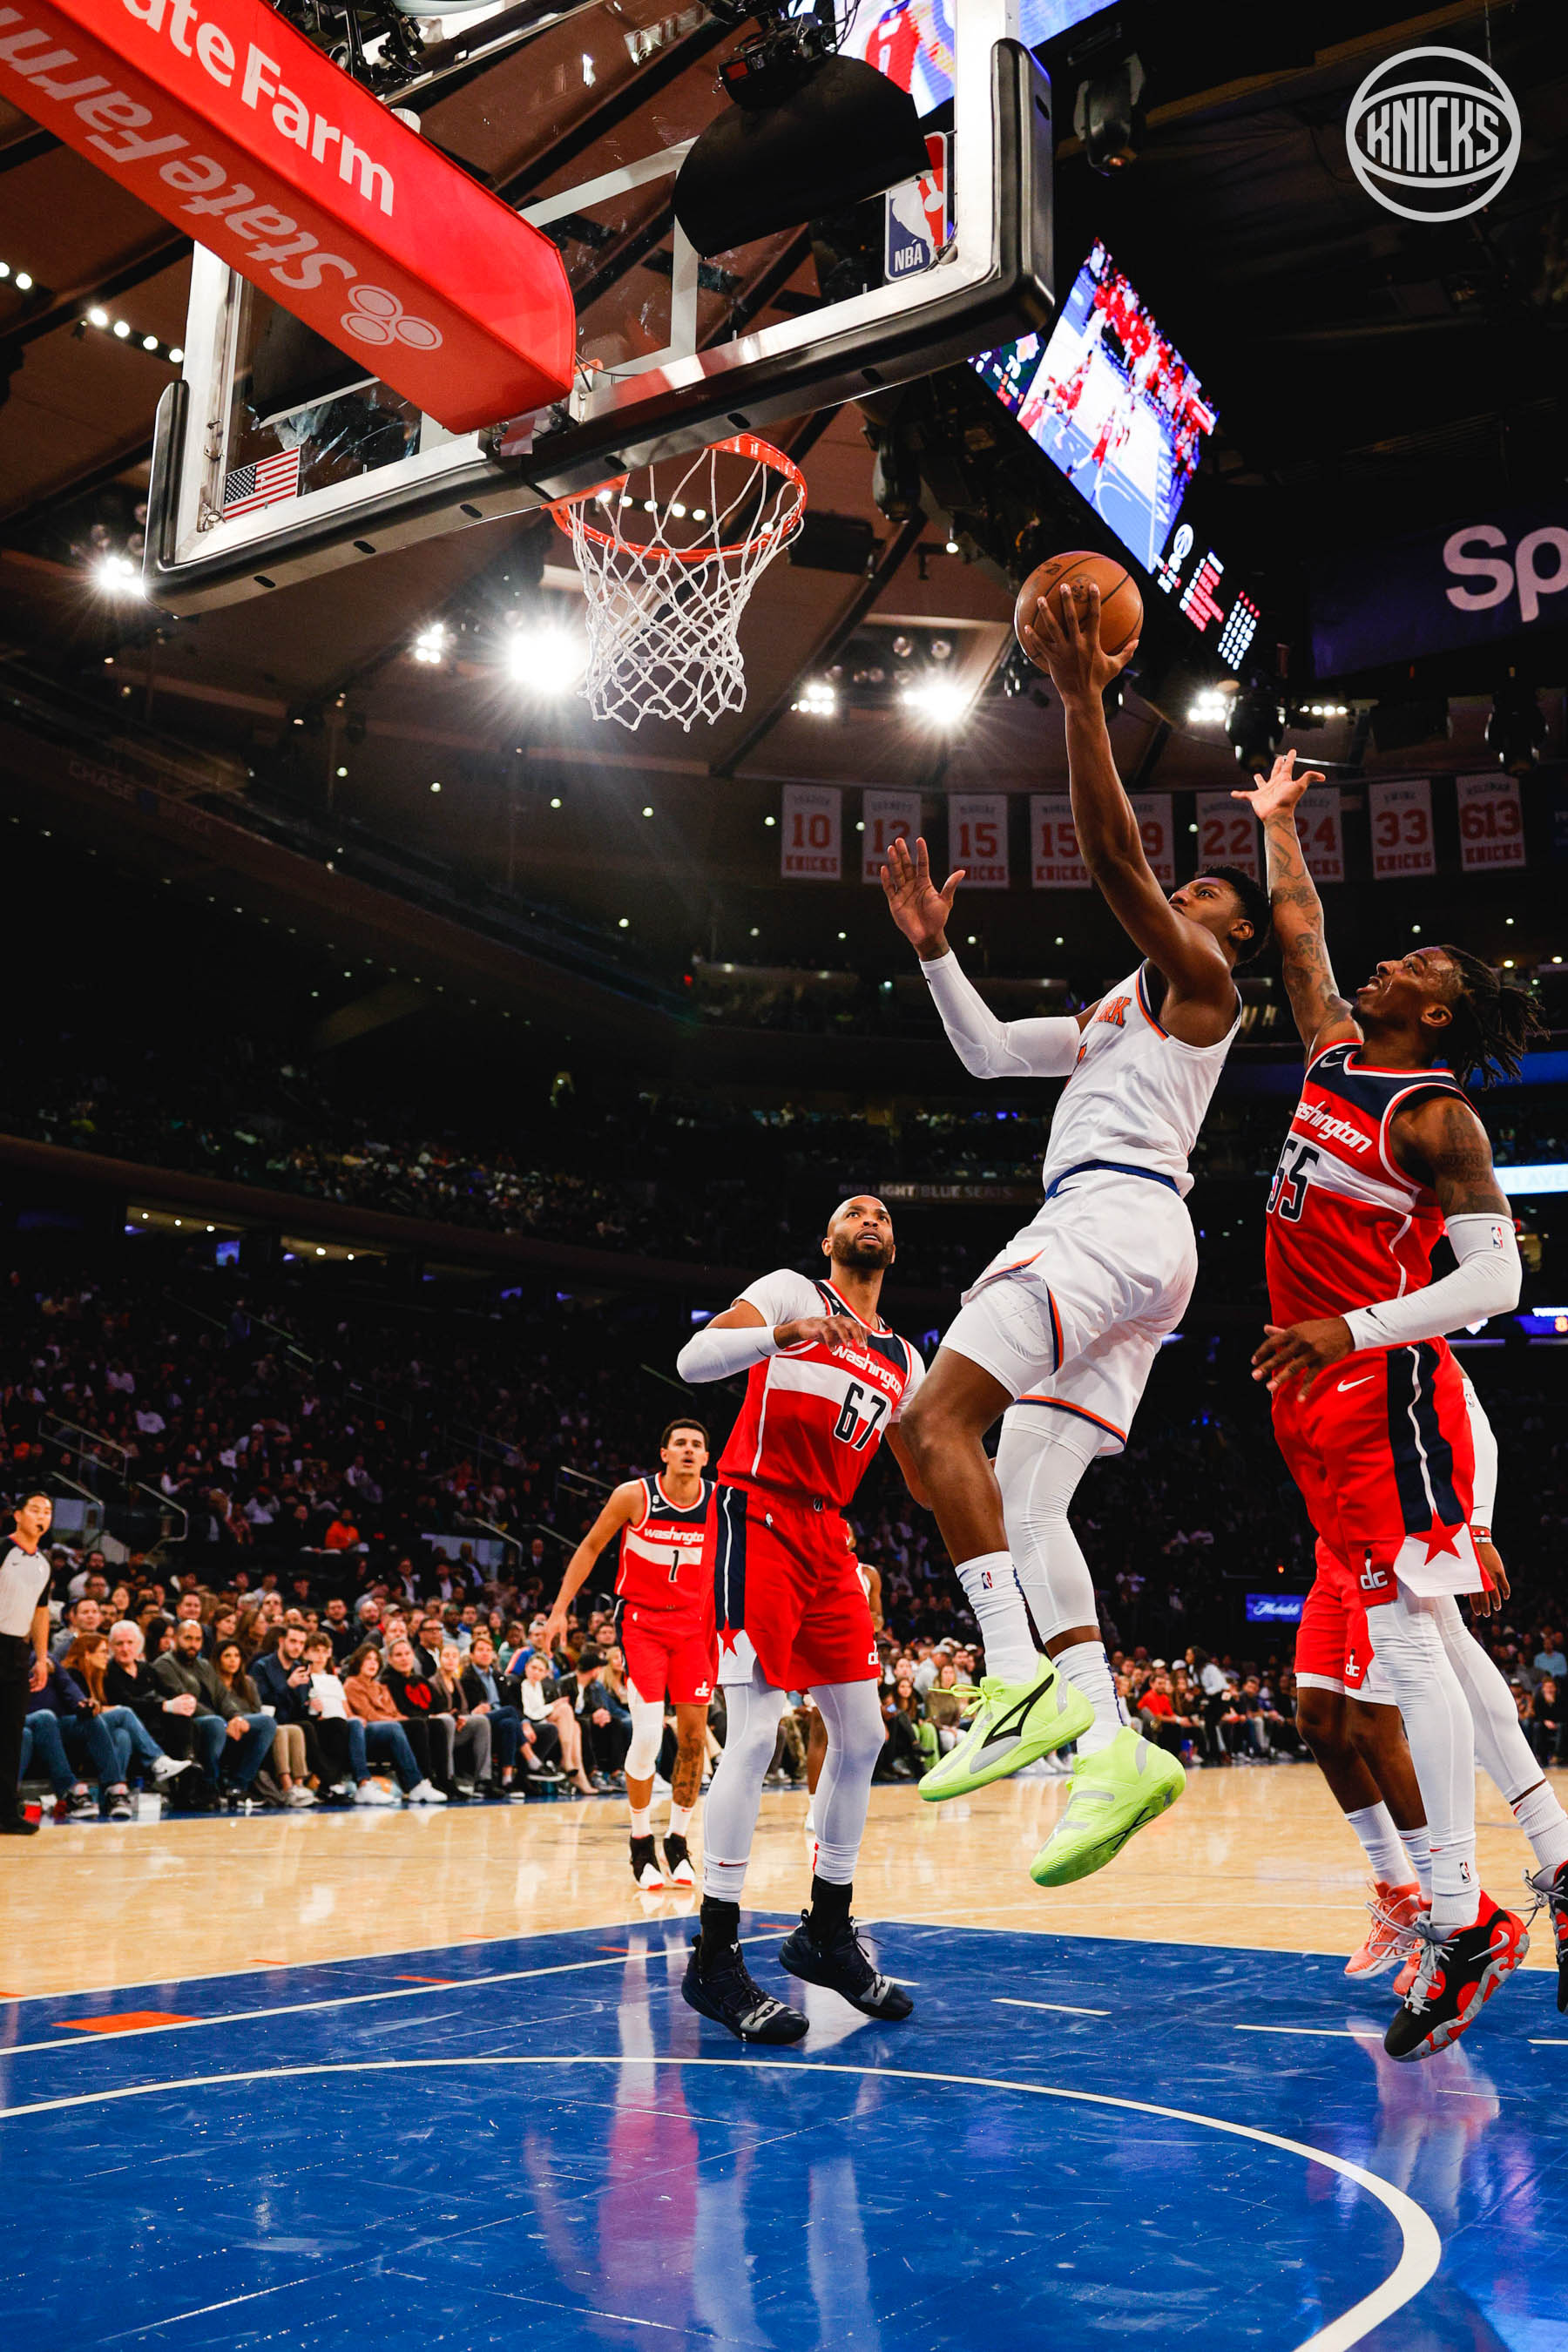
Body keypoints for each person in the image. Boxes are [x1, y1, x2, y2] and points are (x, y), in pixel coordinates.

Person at [881, 580, 1267, 1889]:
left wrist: (1081, 696)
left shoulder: (1204, 985)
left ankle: (1006, 1680)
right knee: (1031, 1498)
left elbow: (1114, 865)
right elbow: (991, 1056)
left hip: (1108, 1216)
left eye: (1211, 889)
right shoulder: (1124, 1011)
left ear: (1235, 938)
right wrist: (937, 952)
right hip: (1141, 1244)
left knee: (928, 1427)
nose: (1190, 890)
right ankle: (1111, 1745)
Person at [1242, 747, 1539, 2060]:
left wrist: (1345, 1324)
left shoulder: (1437, 1117)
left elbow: (1497, 1276)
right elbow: (1300, 933)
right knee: (1413, 1653)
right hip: (1319, 1398)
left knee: (1412, 1651)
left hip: (1386, 1390)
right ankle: (1538, 1864)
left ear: (1442, 1009)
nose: (1390, 959)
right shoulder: (1337, 1050)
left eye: (1417, 962)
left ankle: (1464, 1912)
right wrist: (1279, 824)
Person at [673, 1193, 925, 2042]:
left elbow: (928, 1471)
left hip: (828, 1540)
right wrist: (778, 1337)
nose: (870, 1218)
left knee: (864, 1736)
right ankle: (713, 1955)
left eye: (883, 1214)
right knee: (751, 1733)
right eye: (854, 1212)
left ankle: (826, 1929)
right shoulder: (791, 1292)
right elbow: (693, 1360)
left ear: (894, 1244)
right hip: (759, 1515)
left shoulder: (905, 1360)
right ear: (829, 1239)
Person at [542, 1417, 717, 1890]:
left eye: (696, 1445)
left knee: (694, 1739)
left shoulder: (720, 1503)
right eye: (678, 1442)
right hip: (643, 1625)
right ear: (664, 1453)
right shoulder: (634, 1495)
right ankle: (641, 1839)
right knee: (646, 1734)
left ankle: (677, 1841)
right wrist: (560, 1611)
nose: (687, 1449)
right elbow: (592, 1545)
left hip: (695, 1628)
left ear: (705, 1457)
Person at [151, 1615, 277, 1798]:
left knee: (267, 1723)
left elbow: (223, 1697)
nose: (193, 1644)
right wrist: (226, 1723)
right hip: (189, 1722)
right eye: (188, 1638)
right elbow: (186, 1701)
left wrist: (235, 1717)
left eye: (198, 1639)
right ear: (175, 1640)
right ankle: (210, 1783)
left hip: (219, 1720)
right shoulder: (164, 1664)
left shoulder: (204, 1665)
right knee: (215, 1723)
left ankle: (238, 1784)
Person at [1, 1492, 57, 1835]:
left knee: (10, 1734)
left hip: (17, 1652)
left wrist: (41, 1657)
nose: (42, 1515)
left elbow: (40, 1613)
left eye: (48, 1511)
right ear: (17, 1515)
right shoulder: (3, 1550)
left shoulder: (43, 1564)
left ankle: (6, 1811)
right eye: (35, 1509)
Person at [341, 1642, 447, 1802]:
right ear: (358, 1662)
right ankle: (417, 1783)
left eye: (375, 1660)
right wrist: (398, 1720)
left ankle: (437, 1780)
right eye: (367, 1659)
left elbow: (394, 1712)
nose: (372, 1663)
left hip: (388, 1725)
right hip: (366, 1729)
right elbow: (369, 1715)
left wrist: (401, 1719)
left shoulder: (379, 1686)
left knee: (429, 1724)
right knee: (405, 1725)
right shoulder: (352, 1684)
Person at [380, 1635, 463, 1798]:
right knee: (422, 1723)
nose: (404, 1658)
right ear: (389, 1659)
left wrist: (454, 1715)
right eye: (399, 1655)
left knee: (438, 1723)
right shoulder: (387, 1680)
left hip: (422, 1721)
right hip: (400, 1723)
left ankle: (444, 1779)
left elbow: (440, 1705)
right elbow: (401, 1709)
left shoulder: (419, 1679)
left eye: (407, 1654)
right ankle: (426, 1778)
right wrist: (430, 1715)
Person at [247, 1625, 320, 1807]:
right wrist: (288, 1685)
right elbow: (260, 1702)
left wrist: (312, 1706)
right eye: (293, 1641)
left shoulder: (300, 1669)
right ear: (282, 1641)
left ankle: (299, 1785)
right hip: (267, 1722)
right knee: (286, 1730)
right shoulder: (262, 1667)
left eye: (301, 1643)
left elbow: (300, 1709)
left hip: (290, 1722)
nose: (297, 1647)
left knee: (301, 1728)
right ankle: (288, 1787)